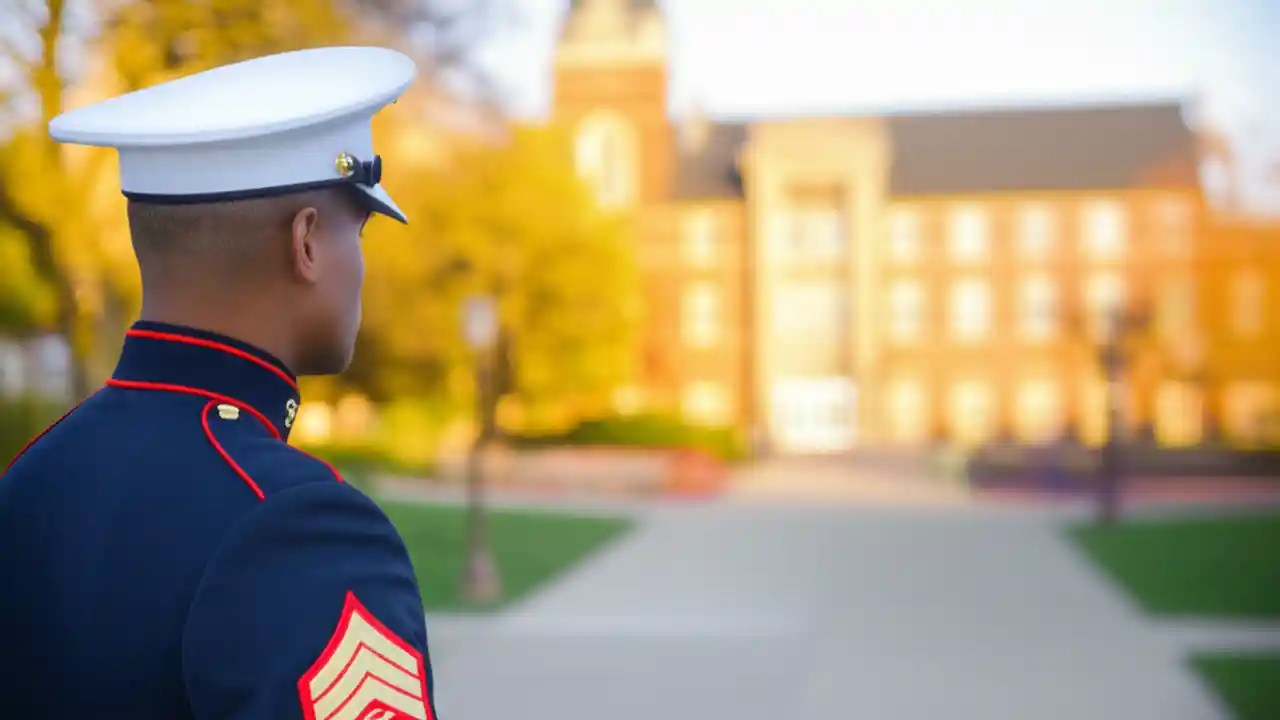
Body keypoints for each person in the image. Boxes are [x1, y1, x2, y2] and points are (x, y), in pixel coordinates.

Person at [0, 47, 439, 719]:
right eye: (361, 232)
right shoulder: (297, 523)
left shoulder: (30, 477)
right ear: (309, 241)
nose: (362, 268)